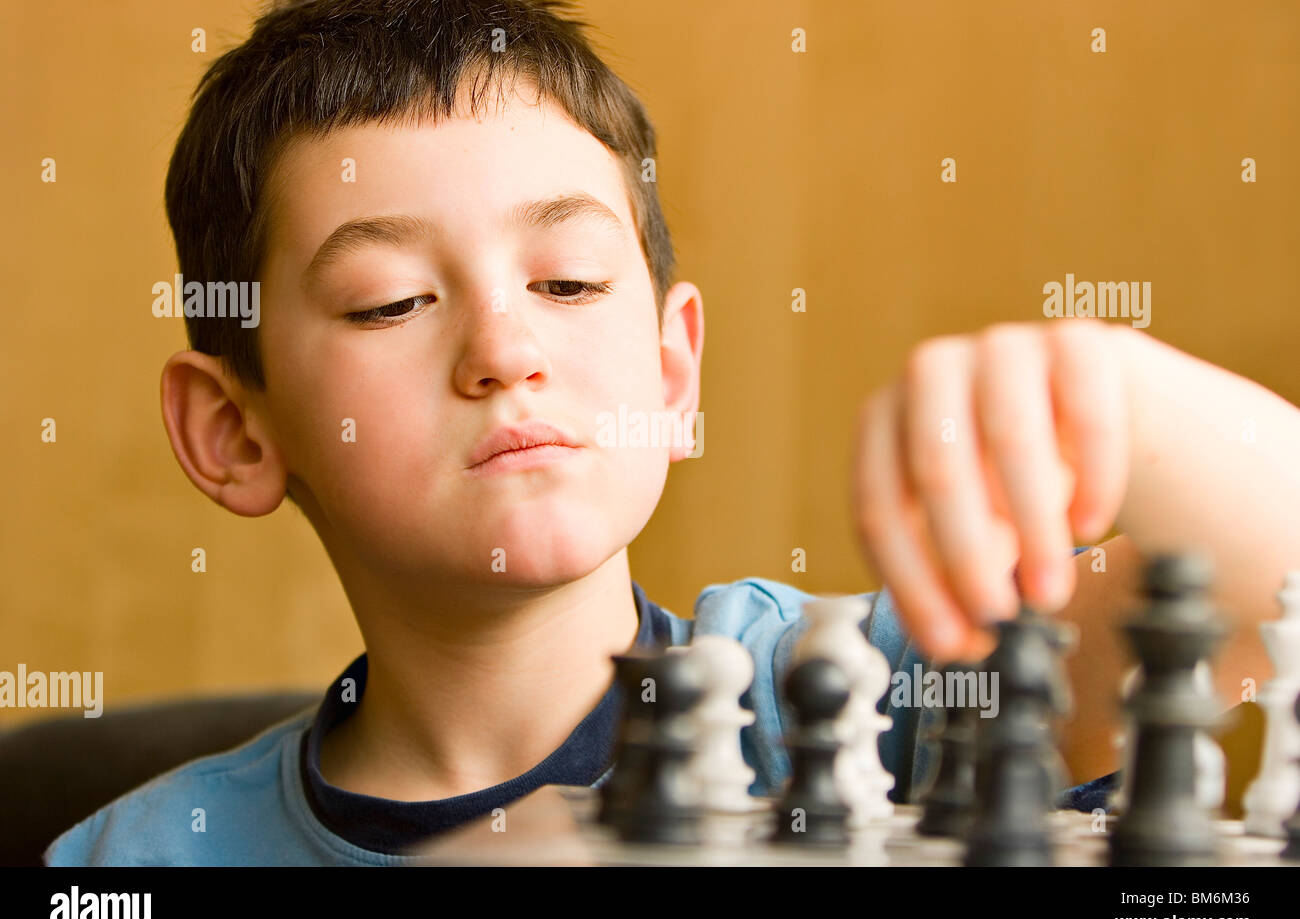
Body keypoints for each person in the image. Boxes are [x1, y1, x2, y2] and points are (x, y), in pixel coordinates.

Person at [44, 0, 1300, 865]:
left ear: (670, 364)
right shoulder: (127, 859)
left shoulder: (883, 689)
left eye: (572, 282)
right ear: (235, 430)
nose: (504, 348)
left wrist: (1125, 399)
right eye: (391, 302)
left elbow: (1270, 585)